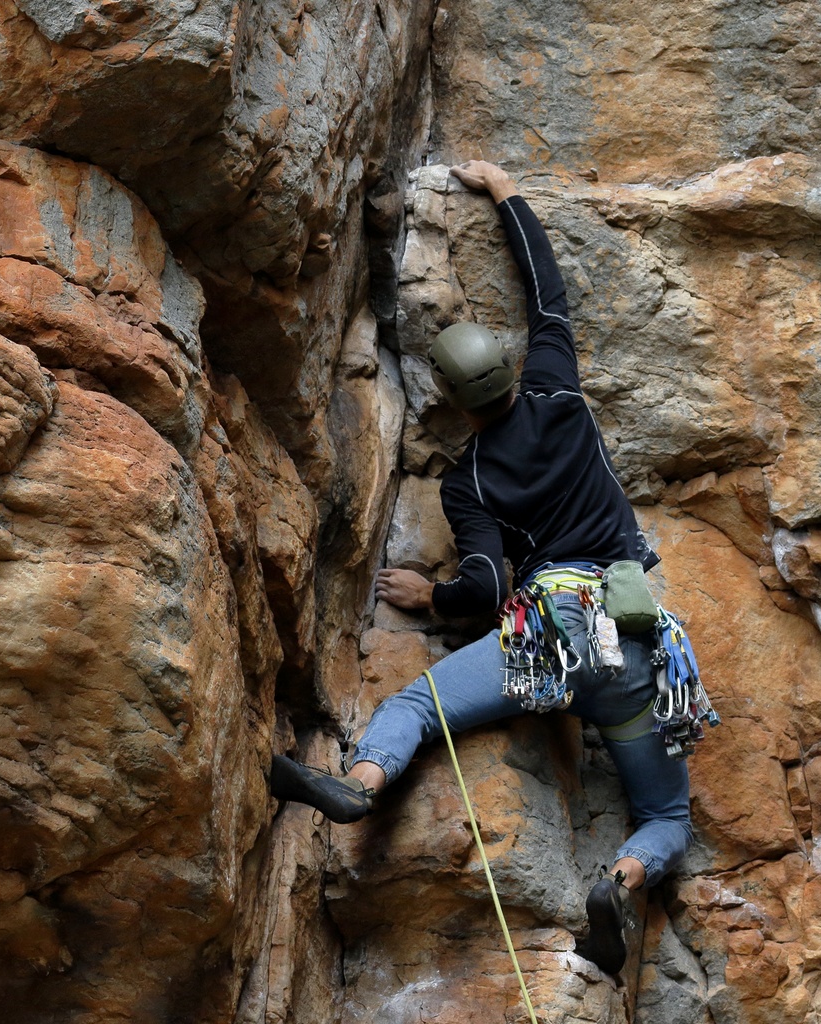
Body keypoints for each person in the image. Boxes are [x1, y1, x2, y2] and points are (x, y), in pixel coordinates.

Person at [269, 160, 693, 976]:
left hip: (552, 641)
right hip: (637, 643)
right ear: (509, 365)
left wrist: (432, 595)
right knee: (667, 812)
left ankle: (359, 784)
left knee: (414, 711)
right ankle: (621, 879)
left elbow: (491, 589)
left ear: (459, 404)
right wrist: (505, 194)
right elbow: (548, 297)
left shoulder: (469, 480)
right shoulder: (560, 395)